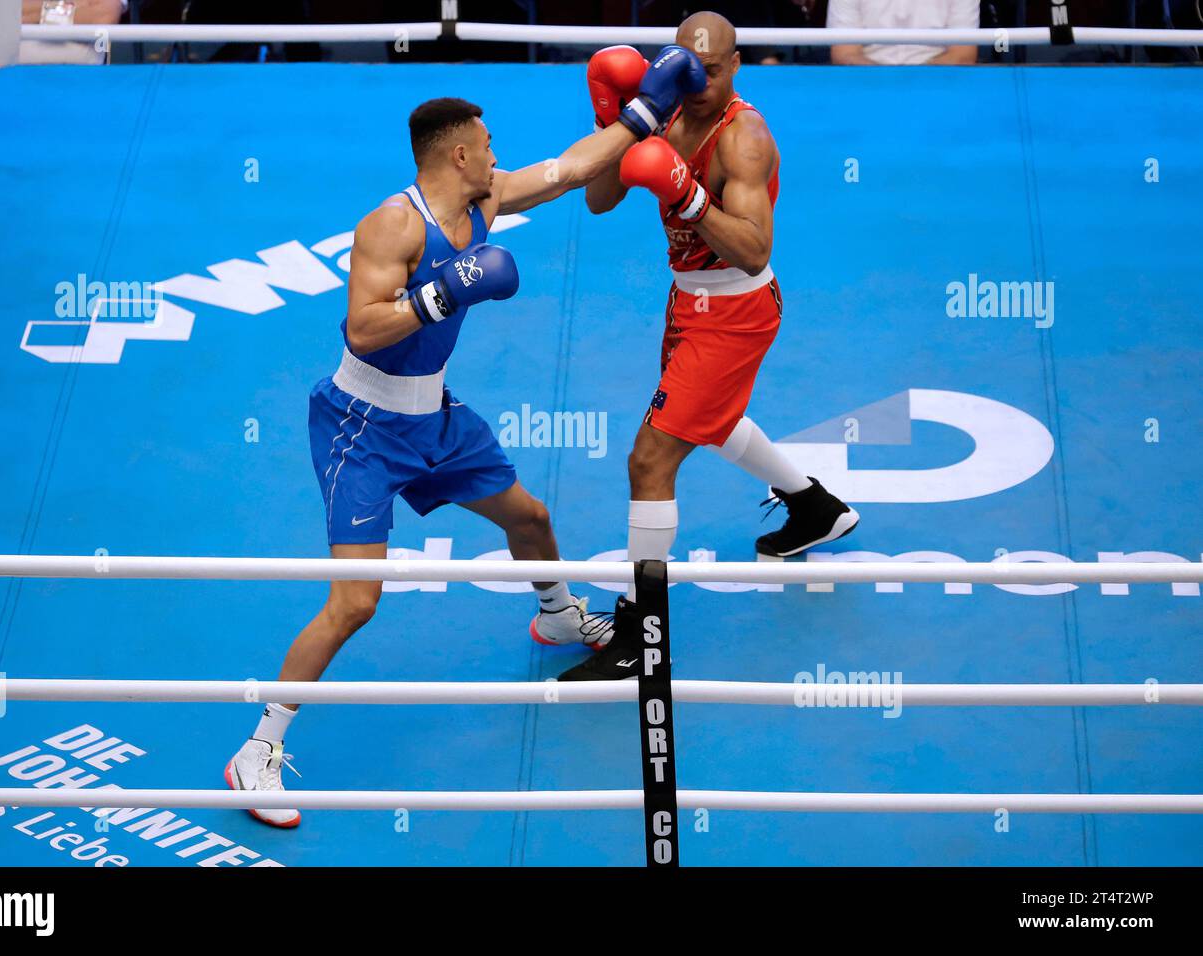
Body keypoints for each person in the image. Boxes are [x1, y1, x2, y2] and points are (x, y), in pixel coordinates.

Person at [225, 48, 708, 827]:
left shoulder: (484, 206)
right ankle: (258, 750)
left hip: (436, 417)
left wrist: (646, 111)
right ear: (457, 153)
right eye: (487, 144)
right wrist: (444, 292)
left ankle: (555, 616)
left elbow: (572, 167)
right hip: (363, 428)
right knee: (355, 604)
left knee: (532, 519)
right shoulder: (390, 225)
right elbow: (363, 325)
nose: (496, 154)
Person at [563, 12, 859, 681]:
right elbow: (600, 200)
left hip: (735, 311)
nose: (701, 83)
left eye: (715, 70)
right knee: (713, 422)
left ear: (736, 65)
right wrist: (614, 118)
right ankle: (814, 507)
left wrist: (689, 196)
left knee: (650, 459)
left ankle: (640, 633)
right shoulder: (663, 104)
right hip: (687, 300)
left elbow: (755, 253)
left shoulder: (744, 139)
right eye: (691, 69)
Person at [827, 0, 980, 66]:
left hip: (940, 82)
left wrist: (911, 78)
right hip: (867, 84)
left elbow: (963, 54)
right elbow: (844, 54)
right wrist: (887, 81)